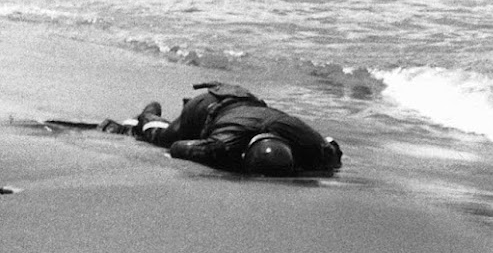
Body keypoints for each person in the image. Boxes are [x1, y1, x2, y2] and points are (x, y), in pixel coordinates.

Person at [102, 81, 342, 176]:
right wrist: (219, 157)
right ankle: (148, 115)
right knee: (163, 137)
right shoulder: (223, 144)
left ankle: (149, 116)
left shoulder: (310, 141)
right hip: (207, 106)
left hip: (244, 98)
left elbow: (332, 146)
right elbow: (177, 147)